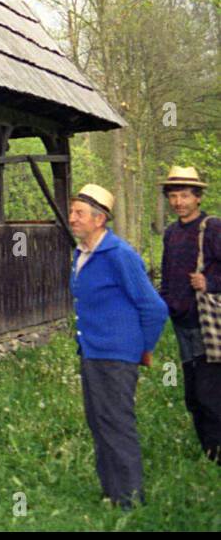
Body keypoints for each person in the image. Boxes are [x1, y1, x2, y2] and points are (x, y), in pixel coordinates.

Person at [68, 184, 168, 508]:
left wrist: (142, 349)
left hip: (115, 355)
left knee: (118, 425)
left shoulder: (120, 255)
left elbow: (154, 307)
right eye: (72, 212)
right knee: (99, 421)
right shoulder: (81, 253)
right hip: (92, 351)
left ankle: (130, 502)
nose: (72, 218)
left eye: (79, 213)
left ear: (99, 219)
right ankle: (111, 493)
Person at [157, 165, 221, 463]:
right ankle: (208, 452)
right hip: (181, 323)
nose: (178, 202)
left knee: (209, 393)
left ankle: (216, 455)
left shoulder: (212, 227)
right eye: (173, 195)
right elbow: (168, 277)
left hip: (208, 323)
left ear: (197, 197)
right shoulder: (171, 233)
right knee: (193, 396)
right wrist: (160, 305)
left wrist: (211, 283)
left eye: (184, 195)